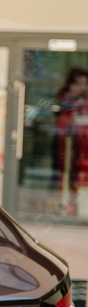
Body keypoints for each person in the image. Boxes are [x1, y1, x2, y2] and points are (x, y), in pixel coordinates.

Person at [53, 66, 88, 214]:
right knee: (65, 177)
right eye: (78, 83)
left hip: (83, 150)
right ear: (70, 84)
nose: (82, 87)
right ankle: (65, 208)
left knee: (80, 179)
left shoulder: (86, 100)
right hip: (64, 147)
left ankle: (79, 210)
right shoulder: (62, 98)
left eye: (85, 83)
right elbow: (60, 118)